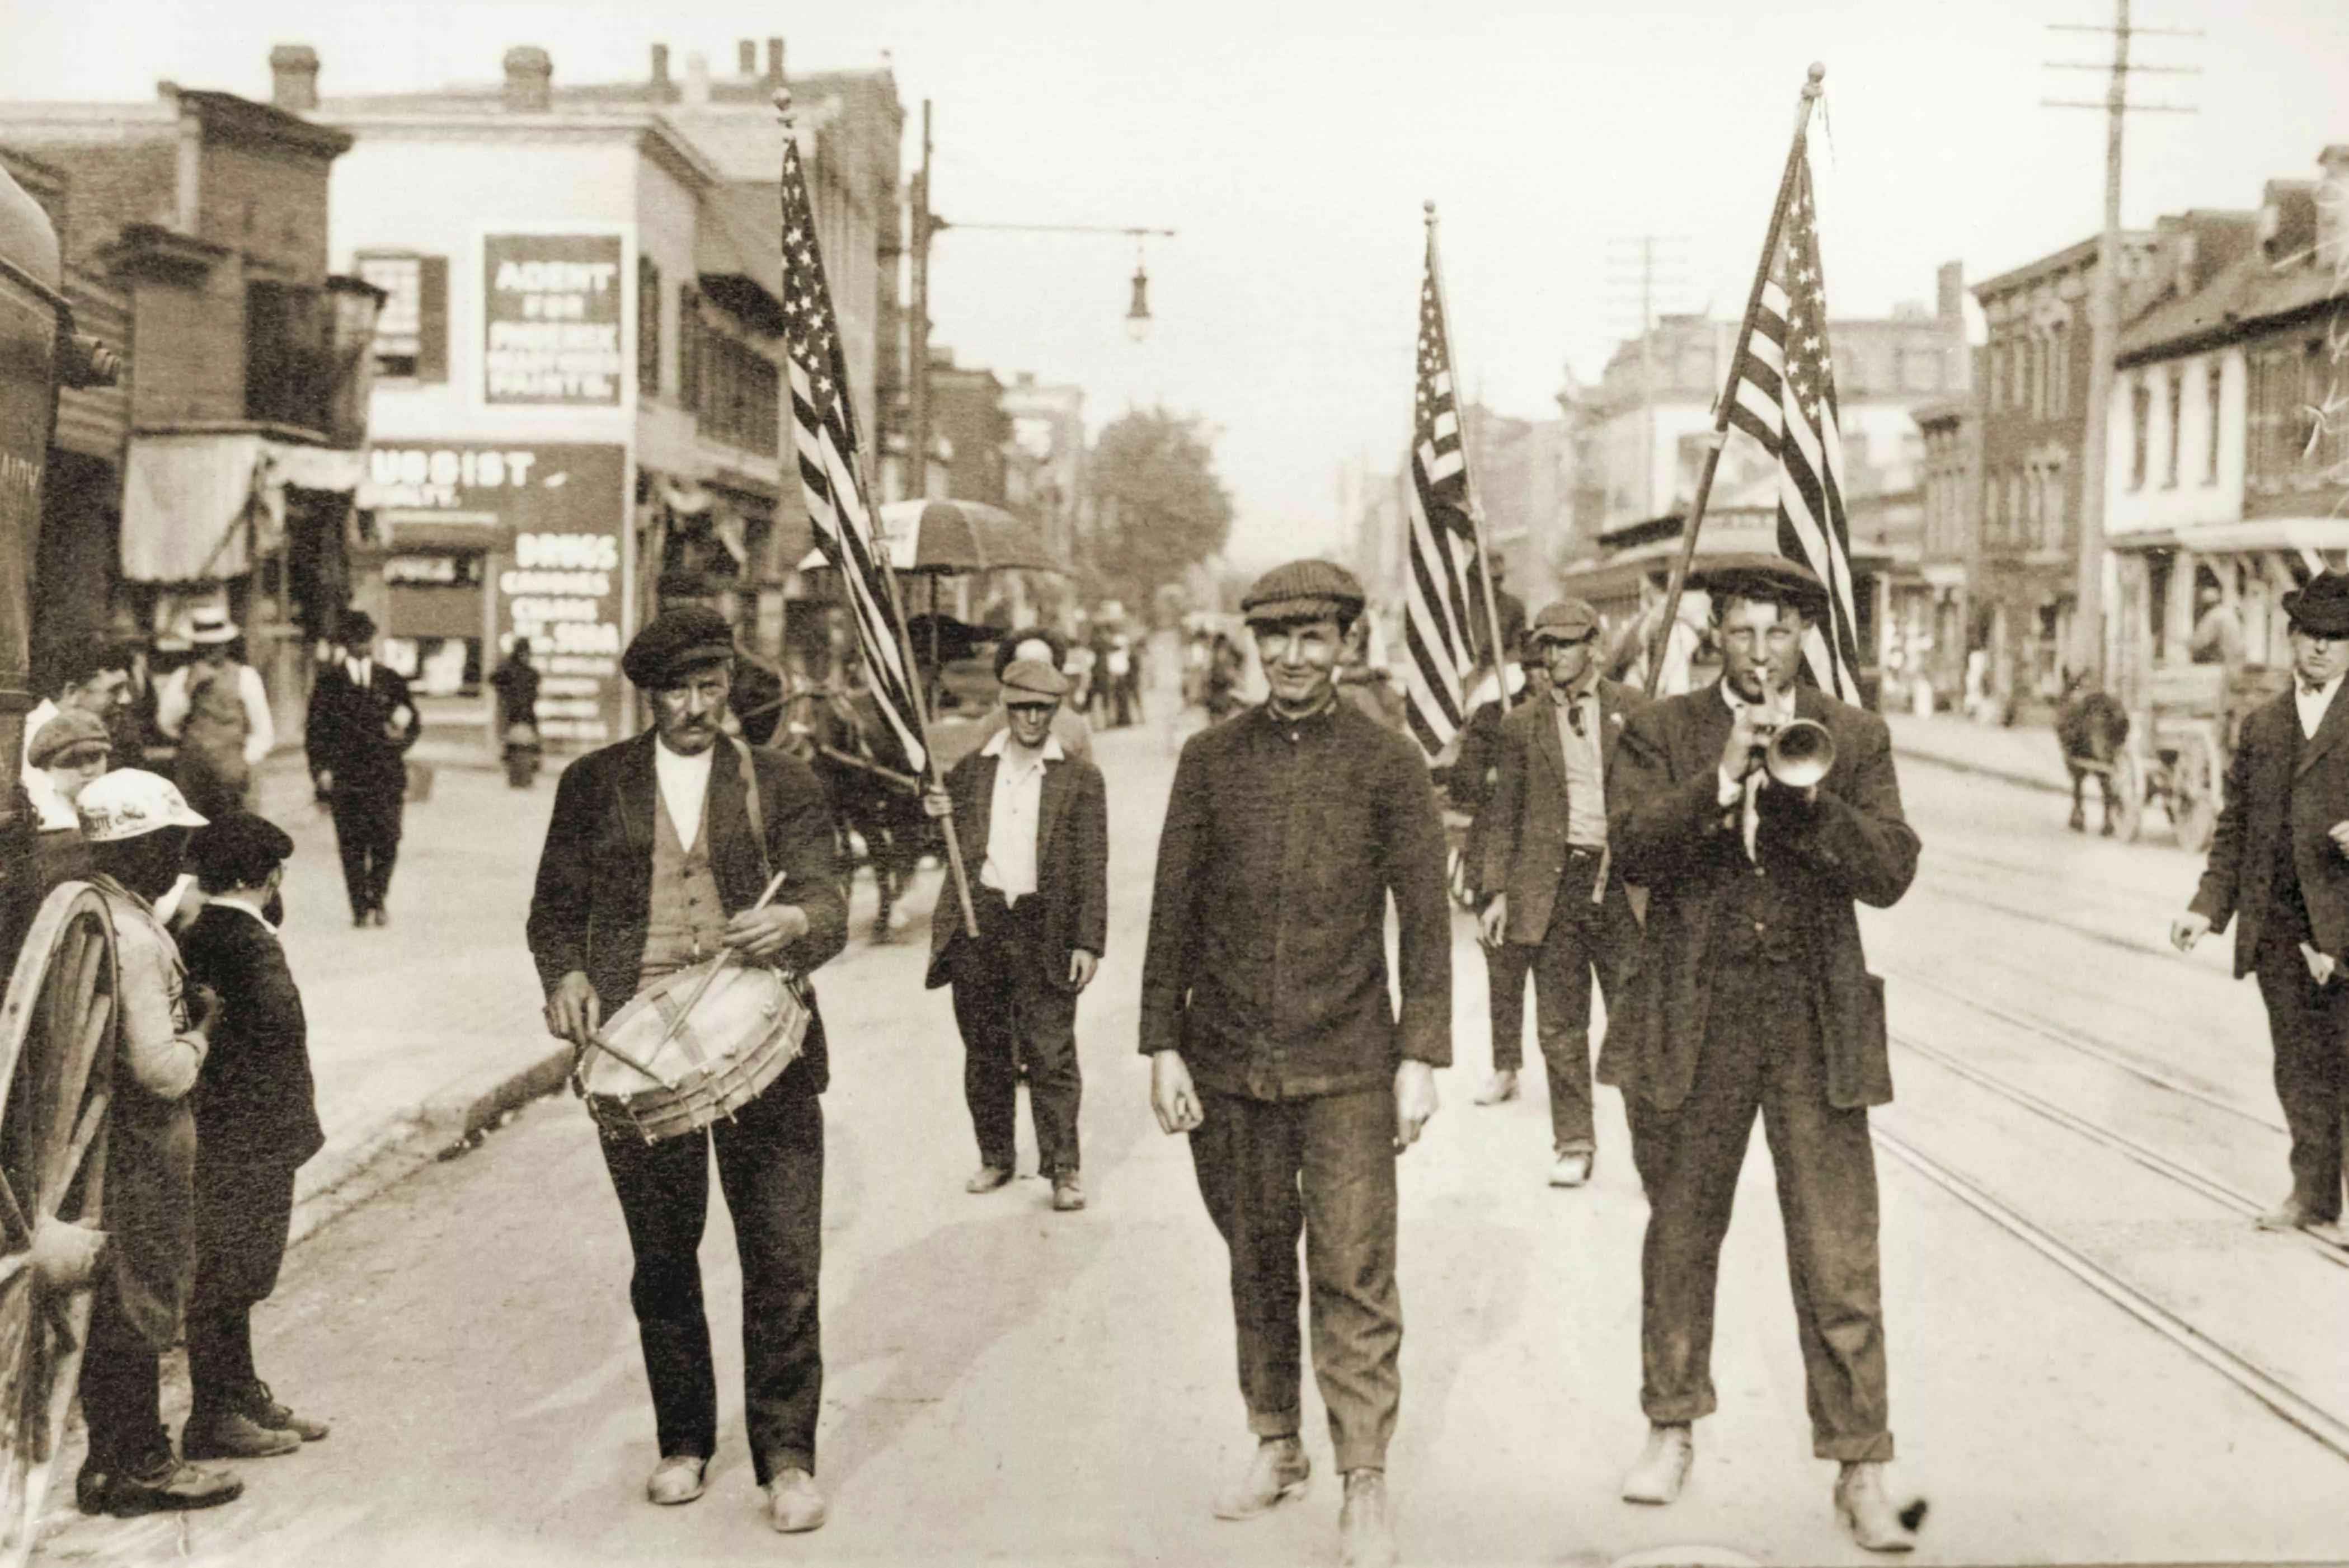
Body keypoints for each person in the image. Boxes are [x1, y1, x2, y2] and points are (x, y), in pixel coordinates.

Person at [1604, 554, 1920, 1552]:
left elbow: (1889, 872)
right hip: (1693, 1023)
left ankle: (1861, 1464)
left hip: (1811, 1022)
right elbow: (1634, 854)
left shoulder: (1853, 735)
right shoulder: (1660, 731)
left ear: (1802, 637)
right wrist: (1718, 779)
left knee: (1838, 1254)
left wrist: (1804, 796)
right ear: (1713, 634)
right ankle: (1668, 1426)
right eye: (1739, 631)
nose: (1757, 651)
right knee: (1681, 1236)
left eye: (1776, 633)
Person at [1141, 558, 1449, 1568]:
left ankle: (1362, 1477)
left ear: (1347, 642)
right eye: (1272, 637)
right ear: (1251, 645)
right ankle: (1276, 1440)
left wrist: (1420, 1054)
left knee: (1356, 1269)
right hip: (1228, 1062)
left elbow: (1424, 920)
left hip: (1351, 1060)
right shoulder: (1209, 759)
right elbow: (1171, 910)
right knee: (1258, 1259)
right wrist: (1161, 1044)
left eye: (1312, 636)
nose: (1291, 656)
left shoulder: (1387, 761)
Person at [527, 604, 848, 1531]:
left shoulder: (779, 780)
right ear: (648, 696)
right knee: (663, 1262)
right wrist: (567, 976)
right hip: (642, 1046)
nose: (699, 707)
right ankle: (684, 1440)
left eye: (713, 687)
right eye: (679, 691)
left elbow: (827, 895)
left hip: (764, 1048)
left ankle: (787, 1458)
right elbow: (552, 910)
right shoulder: (594, 784)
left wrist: (794, 924)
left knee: (783, 1258)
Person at [69, 770, 243, 1517]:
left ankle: (107, 1463)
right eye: (173, 841)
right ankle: (141, 1463)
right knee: (139, 1297)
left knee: (109, 1299)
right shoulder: (138, 935)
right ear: (142, 847)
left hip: (97, 1140)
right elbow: (160, 1069)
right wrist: (204, 1031)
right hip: (144, 1141)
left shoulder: (86, 912)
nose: (181, 855)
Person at [2173, 568, 2349, 1250]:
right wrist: (2205, 909)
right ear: (2291, 639)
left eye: (2338, 638)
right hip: (2279, 928)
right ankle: (2311, 1194)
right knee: (2298, 1065)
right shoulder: (2265, 726)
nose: (2323, 650)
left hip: (2345, 926)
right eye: (2312, 636)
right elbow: (2236, 828)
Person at [924, 658, 1109, 1210]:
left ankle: (1064, 1168)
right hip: (979, 923)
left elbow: (1092, 867)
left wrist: (1088, 942)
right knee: (984, 1051)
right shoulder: (971, 771)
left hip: (1042, 928)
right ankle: (996, 1157)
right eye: (1022, 707)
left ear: (1056, 711)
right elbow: (942, 836)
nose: (1032, 718)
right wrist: (930, 809)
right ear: (1005, 708)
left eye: (1043, 709)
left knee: (1051, 1053)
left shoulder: (1078, 778)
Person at [1474, 599, 1646, 1187]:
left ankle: (1653, 1149)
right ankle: (1574, 1141)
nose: (1554, 656)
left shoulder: (1636, 712)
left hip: (1622, 885)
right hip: (1553, 887)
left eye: (1566, 644)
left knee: (1635, 1019)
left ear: (1594, 646)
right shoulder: (1520, 725)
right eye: (1546, 645)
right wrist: (1496, 891)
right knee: (1559, 1025)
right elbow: (1504, 815)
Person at [176, 813, 329, 1459]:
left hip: (231, 1130)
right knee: (229, 1274)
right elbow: (275, 1034)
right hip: (250, 1136)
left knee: (230, 1271)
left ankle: (240, 1394)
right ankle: (214, 1413)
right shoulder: (248, 940)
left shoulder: (200, 932)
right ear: (264, 877)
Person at [304, 611, 421, 927]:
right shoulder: (329, 682)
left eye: (367, 638)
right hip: (347, 775)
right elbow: (315, 732)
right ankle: (359, 906)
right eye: (356, 639)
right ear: (347, 643)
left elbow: (413, 721)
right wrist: (321, 770)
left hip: (386, 774)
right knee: (352, 843)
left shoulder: (391, 679)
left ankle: (379, 896)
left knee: (388, 838)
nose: (363, 645)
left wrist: (400, 741)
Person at [157, 608, 275, 821]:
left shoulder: (246, 677)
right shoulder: (182, 677)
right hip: (193, 773)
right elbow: (167, 723)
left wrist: (244, 761)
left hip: (233, 774)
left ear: (226, 645)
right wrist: (190, 689)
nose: (211, 653)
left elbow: (263, 731)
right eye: (204, 647)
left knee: (235, 834)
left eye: (216, 646)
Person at [24, 637, 132, 835]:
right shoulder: (26, 740)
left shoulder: (101, 732)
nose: (126, 699)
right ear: (72, 692)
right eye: (115, 690)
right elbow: (56, 824)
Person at [969, 627, 1096, 761]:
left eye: (1042, 667)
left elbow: (1087, 777)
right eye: (1027, 668)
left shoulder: (1074, 726)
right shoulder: (992, 725)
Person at [29, 708, 113, 889]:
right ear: (46, 768)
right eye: (72, 762)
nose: (88, 771)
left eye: (94, 758)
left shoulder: (123, 804)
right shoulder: (43, 821)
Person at [489, 640, 544, 789]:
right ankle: (521, 771)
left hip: (520, 714)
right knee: (522, 744)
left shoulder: (517, 672)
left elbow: (493, 680)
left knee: (526, 744)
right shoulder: (524, 672)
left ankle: (524, 771)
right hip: (516, 714)